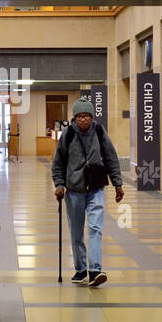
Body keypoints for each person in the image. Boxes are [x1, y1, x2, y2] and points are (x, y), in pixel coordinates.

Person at [52, 97, 124, 287]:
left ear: (92, 117)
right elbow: (57, 163)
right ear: (74, 118)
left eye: (87, 116)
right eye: (80, 116)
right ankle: (80, 268)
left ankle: (95, 271)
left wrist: (118, 183)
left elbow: (111, 158)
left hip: (95, 188)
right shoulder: (67, 135)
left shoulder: (99, 132)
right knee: (76, 232)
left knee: (95, 229)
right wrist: (59, 184)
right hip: (74, 191)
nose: (83, 119)